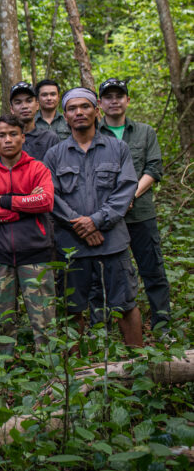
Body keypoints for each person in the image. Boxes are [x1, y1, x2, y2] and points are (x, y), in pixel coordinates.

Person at [42, 88, 142, 346]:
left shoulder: (118, 148)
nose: (79, 112)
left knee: (126, 303)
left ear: (96, 110)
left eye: (84, 107)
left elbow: (125, 190)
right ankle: (75, 371)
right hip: (73, 245)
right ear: (65, 116)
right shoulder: (55, 155)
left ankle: (140, 363)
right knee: (73, 307)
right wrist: (80, 224)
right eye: (73, 108)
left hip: (113, 243)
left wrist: (95, 221)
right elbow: (50, 195)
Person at [0, 115, 56, 357]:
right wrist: (23, 211)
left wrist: (6, 201)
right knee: (1, 321)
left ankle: (50, 371)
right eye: (1, 135)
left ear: (23, 137)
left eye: (13, 134)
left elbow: (45, 201)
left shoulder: (38, 168)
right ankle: (3, 374)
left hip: (36, 255)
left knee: (44, 320)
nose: (8, 140)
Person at [98, 78, 170, 331]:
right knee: (107, 275)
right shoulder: (93, 133)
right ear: (100, 103)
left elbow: (153, 168)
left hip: (139, 213)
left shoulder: (144, 132)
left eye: (119, 96)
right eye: (108, 97)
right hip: (106, 217)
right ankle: (108, 331)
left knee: (152, 270)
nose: (114, 101)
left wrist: (130, 196)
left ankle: (162, 326)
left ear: (128, 100)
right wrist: (113, 205)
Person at [0, 82, 61, 161]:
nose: (24, 106)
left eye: (29, 101)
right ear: (12, 109)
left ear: (37, 105)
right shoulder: (1, 140)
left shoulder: (49, 138)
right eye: (18, 102)